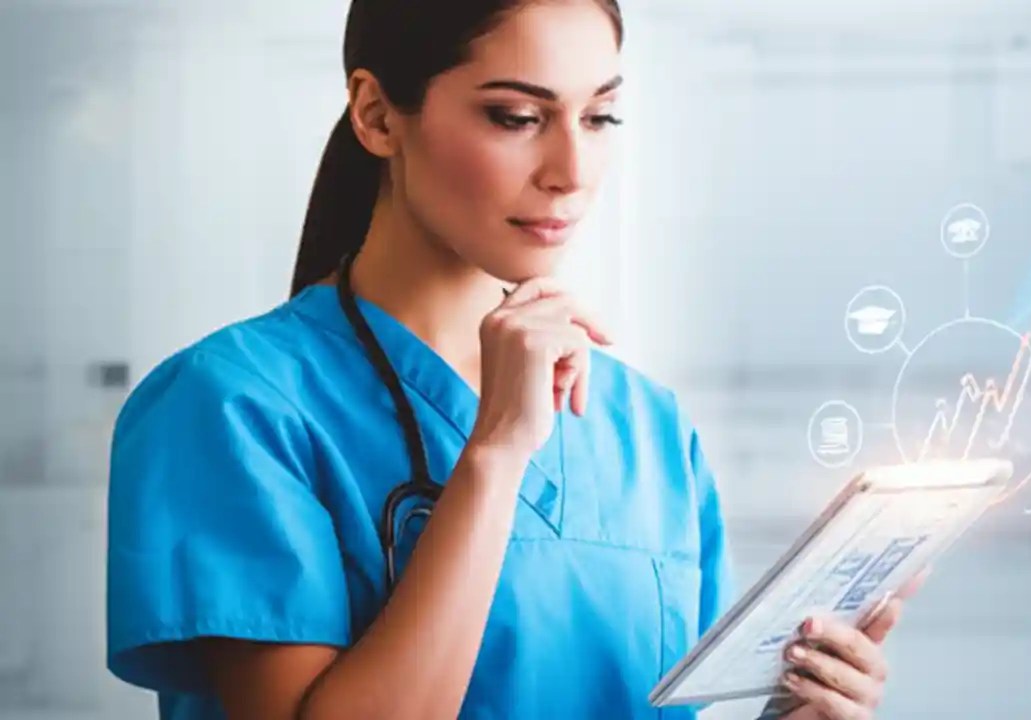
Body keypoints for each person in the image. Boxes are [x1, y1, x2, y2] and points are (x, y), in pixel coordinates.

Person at [105, 1, 923, 718]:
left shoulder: (646, 428)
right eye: (516, 117)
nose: (571, 173)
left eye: (599, 117)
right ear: (378, 115)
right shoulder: (228, 406)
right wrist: (494, 456)